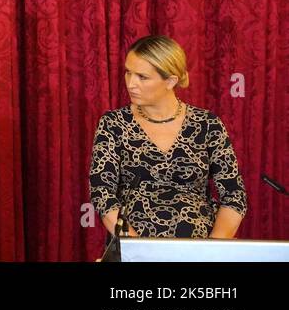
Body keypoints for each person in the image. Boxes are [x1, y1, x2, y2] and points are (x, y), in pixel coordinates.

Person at [90, 35, 246, 239]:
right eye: (128, 73)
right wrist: (138, 249)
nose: (131, 84)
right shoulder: (113, 123)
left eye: (142, 77)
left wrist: (212, 250)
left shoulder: (207, 124)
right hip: (134, 251)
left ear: (171, 81)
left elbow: (234, 195)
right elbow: (102, 194)